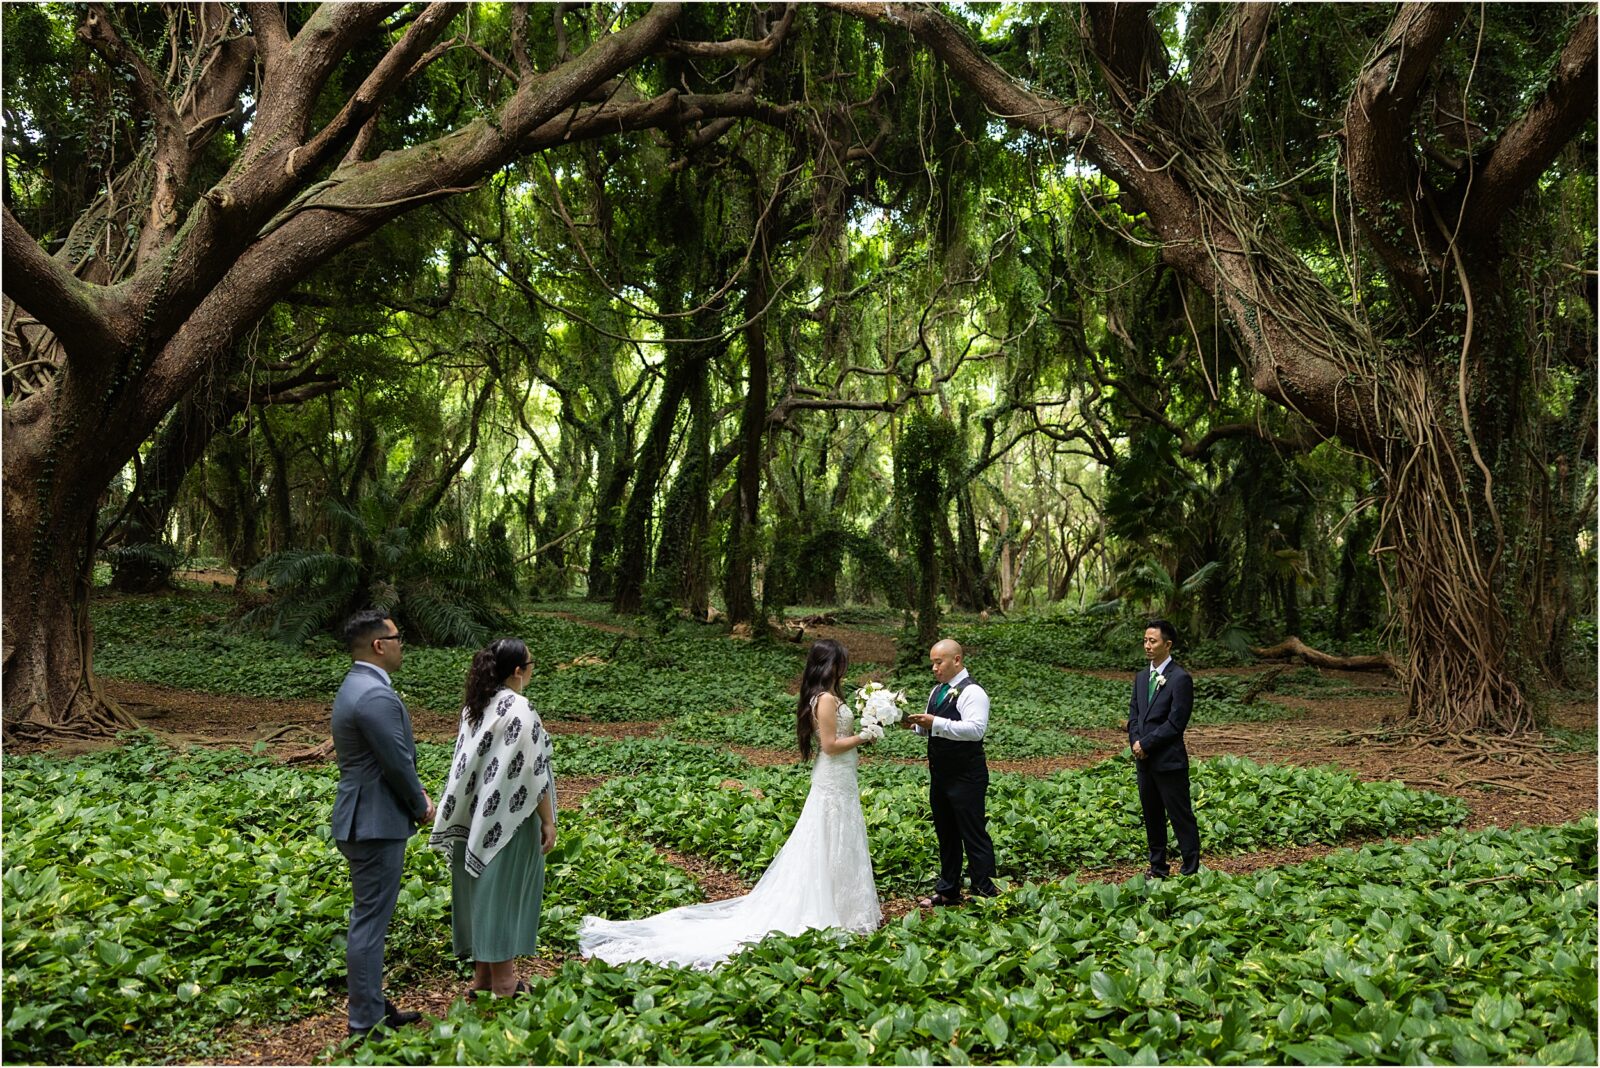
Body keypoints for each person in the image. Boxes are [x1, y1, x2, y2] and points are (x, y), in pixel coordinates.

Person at [577, 638, 879, 968]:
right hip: (833, 775)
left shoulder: (834, 697)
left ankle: (846, 904)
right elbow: (831, 746)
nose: (845, 667)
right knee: (828, 835)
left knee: (842, 835)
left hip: (843, 777)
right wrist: (866, 736)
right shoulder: (823, 700)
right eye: (840, 663)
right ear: (827, 665)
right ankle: (827, 905)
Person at [429, 637, 557, 997]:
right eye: (531, 665)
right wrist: (548, 821)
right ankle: (504, 983)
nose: (532, 671)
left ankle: (482, 978)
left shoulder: (475, 706)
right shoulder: (521, 709)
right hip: (510, 817)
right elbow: (535, 773)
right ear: (517, 672)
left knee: (479, 890)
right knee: (503, 892)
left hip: (473, 815)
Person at [330, 610, 433, 1038]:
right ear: (379, 645)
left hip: (364, 815)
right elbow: (396, 762)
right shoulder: (374, 695)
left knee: (368, 918)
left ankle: (372, 1004)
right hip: (375, 820)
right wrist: (420, 803)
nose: (401, 643)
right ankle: (366, 1022)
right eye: (397, 637)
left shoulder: (357, 686)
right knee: (370, 923)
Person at [903, 638, 997, 905]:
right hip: (940, 775)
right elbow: (932, 726)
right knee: (946, 832)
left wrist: (936, 722)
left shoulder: (973, 692)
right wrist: (914, 724)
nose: (934, 668)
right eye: (932, 662)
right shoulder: (937, 692)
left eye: (938, 662)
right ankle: (948, 888)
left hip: (967, 775)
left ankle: (985, 889)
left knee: (973, 833)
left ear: (956, 660)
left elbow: (975, 729)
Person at [1128, 619, 1201, 877]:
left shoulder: (1180, 679)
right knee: (1152, 816)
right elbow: (1134, 714)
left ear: (1167, 645)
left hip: (1168, 761)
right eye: (1145, 640)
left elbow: (1176, 722)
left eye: (1153, 641)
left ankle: (1190, 869)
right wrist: (1135, 742)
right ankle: (1158, 867)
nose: (1147, 646)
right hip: (1144, 761)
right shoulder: (1140, 677)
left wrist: (1146, 743)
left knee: (1180, 816)